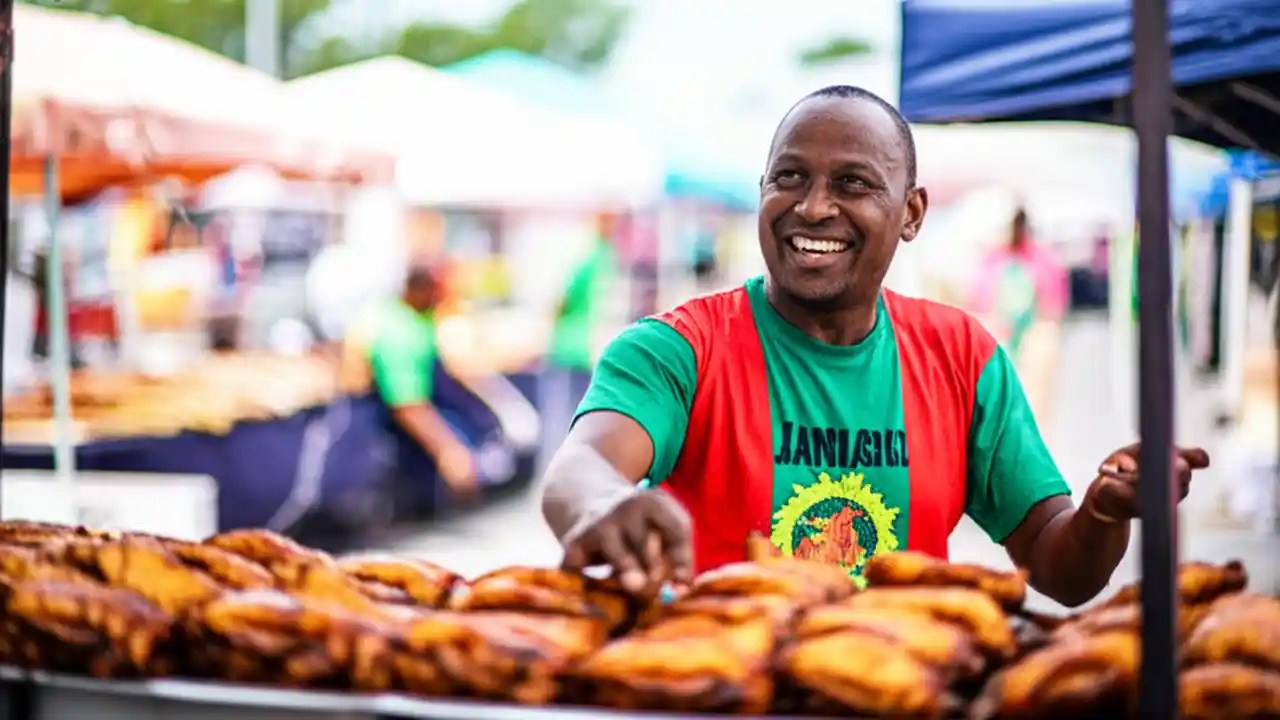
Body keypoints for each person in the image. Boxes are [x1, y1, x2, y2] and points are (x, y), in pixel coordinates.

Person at [539, 85, 1210, 608]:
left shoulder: (961, 356)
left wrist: (1102, 509)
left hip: (902, 685)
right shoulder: (676, 349)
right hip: (724, 686)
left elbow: (1060, 571)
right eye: (790, 178)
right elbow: (579, 470)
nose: (812, 207)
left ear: (911, 213)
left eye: (852, 183)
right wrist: (606, 505)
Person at [343, 257, 480, 501]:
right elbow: (407, 405)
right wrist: (449, 452)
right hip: (400, 451)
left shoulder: (406, 316)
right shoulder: (400, 334)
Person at [540, 215, 619, 468]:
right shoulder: (602, 257)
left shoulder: (592, 256)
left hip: (573, 348)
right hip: (583, 348)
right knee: (579, 417)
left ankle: (561, 468)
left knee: (562, 417)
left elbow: (561, 300)